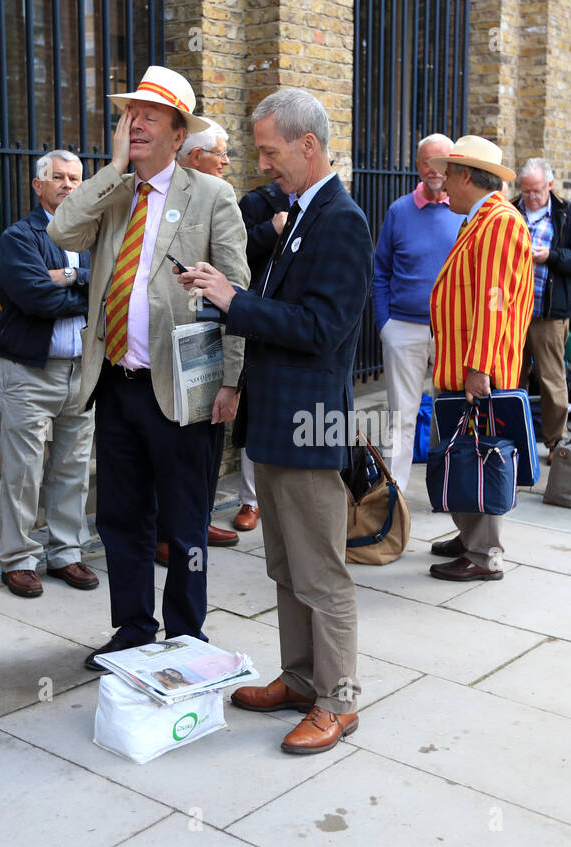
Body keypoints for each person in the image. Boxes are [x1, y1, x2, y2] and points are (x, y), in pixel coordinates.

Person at [178, 89, 372, 755]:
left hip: (311, 425)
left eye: (268, 151)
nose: (262, 164)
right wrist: (225, 290)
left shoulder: (341, 220)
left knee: (320, 571)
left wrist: (237, 301)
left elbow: (324, 328)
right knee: (287, 568)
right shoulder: (302, 214)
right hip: (280, 422)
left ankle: (338, 700)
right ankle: (298, 677)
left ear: (307, 146)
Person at [46, 66, 250, 671]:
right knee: (120, 518)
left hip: (184, 391)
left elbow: (236, 292)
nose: (134, 123)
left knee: (186, 524)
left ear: (179, 131)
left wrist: (234, 381)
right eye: (129, 114)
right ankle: (134, 627)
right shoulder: (115, 195)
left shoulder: (212, 197)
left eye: (149, 115)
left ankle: (186, 636)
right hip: (116, 384)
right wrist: (113, 171)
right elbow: (62, 229)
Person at [424, 135, 534, 581]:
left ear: (466, 175)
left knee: (482, 453)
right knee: (465, 450)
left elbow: (496, 302)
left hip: (477, 370)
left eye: (448, 173)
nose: (442, 182)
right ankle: (468, 532)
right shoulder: (481, 218)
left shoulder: (498, 222)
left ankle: (484, 554)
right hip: (464, 365)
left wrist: (479, 367)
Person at [0, 150, 99, 599]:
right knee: (23, 471)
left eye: (76, 178)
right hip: (29, 375)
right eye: (58, 177)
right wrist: (86, 287)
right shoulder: (19, 237)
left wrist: (68, 277)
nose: (69, 185)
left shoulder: (97, 233)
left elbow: (115, 288)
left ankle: (66, 553)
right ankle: (18, 559)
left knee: (74, 468)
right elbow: (35, 298)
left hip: (83, 371)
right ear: (38, 186)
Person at [165, 116, 241, 558]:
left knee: (199, 448)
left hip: (200, 346)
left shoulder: (220, 197)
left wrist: (234, 375)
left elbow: (235, 283)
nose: (228, 161)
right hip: (153, 351)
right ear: (195, 156)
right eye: (220, 153)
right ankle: (172, 531)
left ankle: (194, 523)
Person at [371, 133, 461, 492]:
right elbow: (381, 272)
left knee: (452, 414)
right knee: (401, 417)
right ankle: (393, 496)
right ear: (418, 165)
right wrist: (384, 326)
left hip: (450, 332)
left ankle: (453, 490)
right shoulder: (399, 211)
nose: (433, 169)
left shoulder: (466, 211)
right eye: (426, 161)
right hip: (403, 328)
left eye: (440, 162)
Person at [513, 156, 571, 451]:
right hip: (512, 312)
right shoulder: (510, 210)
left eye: (536, 191)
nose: (531, 197)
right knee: (511, 379)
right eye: (525, 191)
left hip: (548, 313)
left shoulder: (567, 213)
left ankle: (556, 442)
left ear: (549, 185)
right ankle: (513, 441)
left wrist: (552, 256)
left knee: (551, 380)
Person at [232, 179, 298, 532]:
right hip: (260, 314)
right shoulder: (258, 201)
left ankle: (285, 499)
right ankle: (250, 499)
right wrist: (269, 230)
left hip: (298, 318)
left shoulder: (327, 205)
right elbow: (235, 253)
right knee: (254, 406)